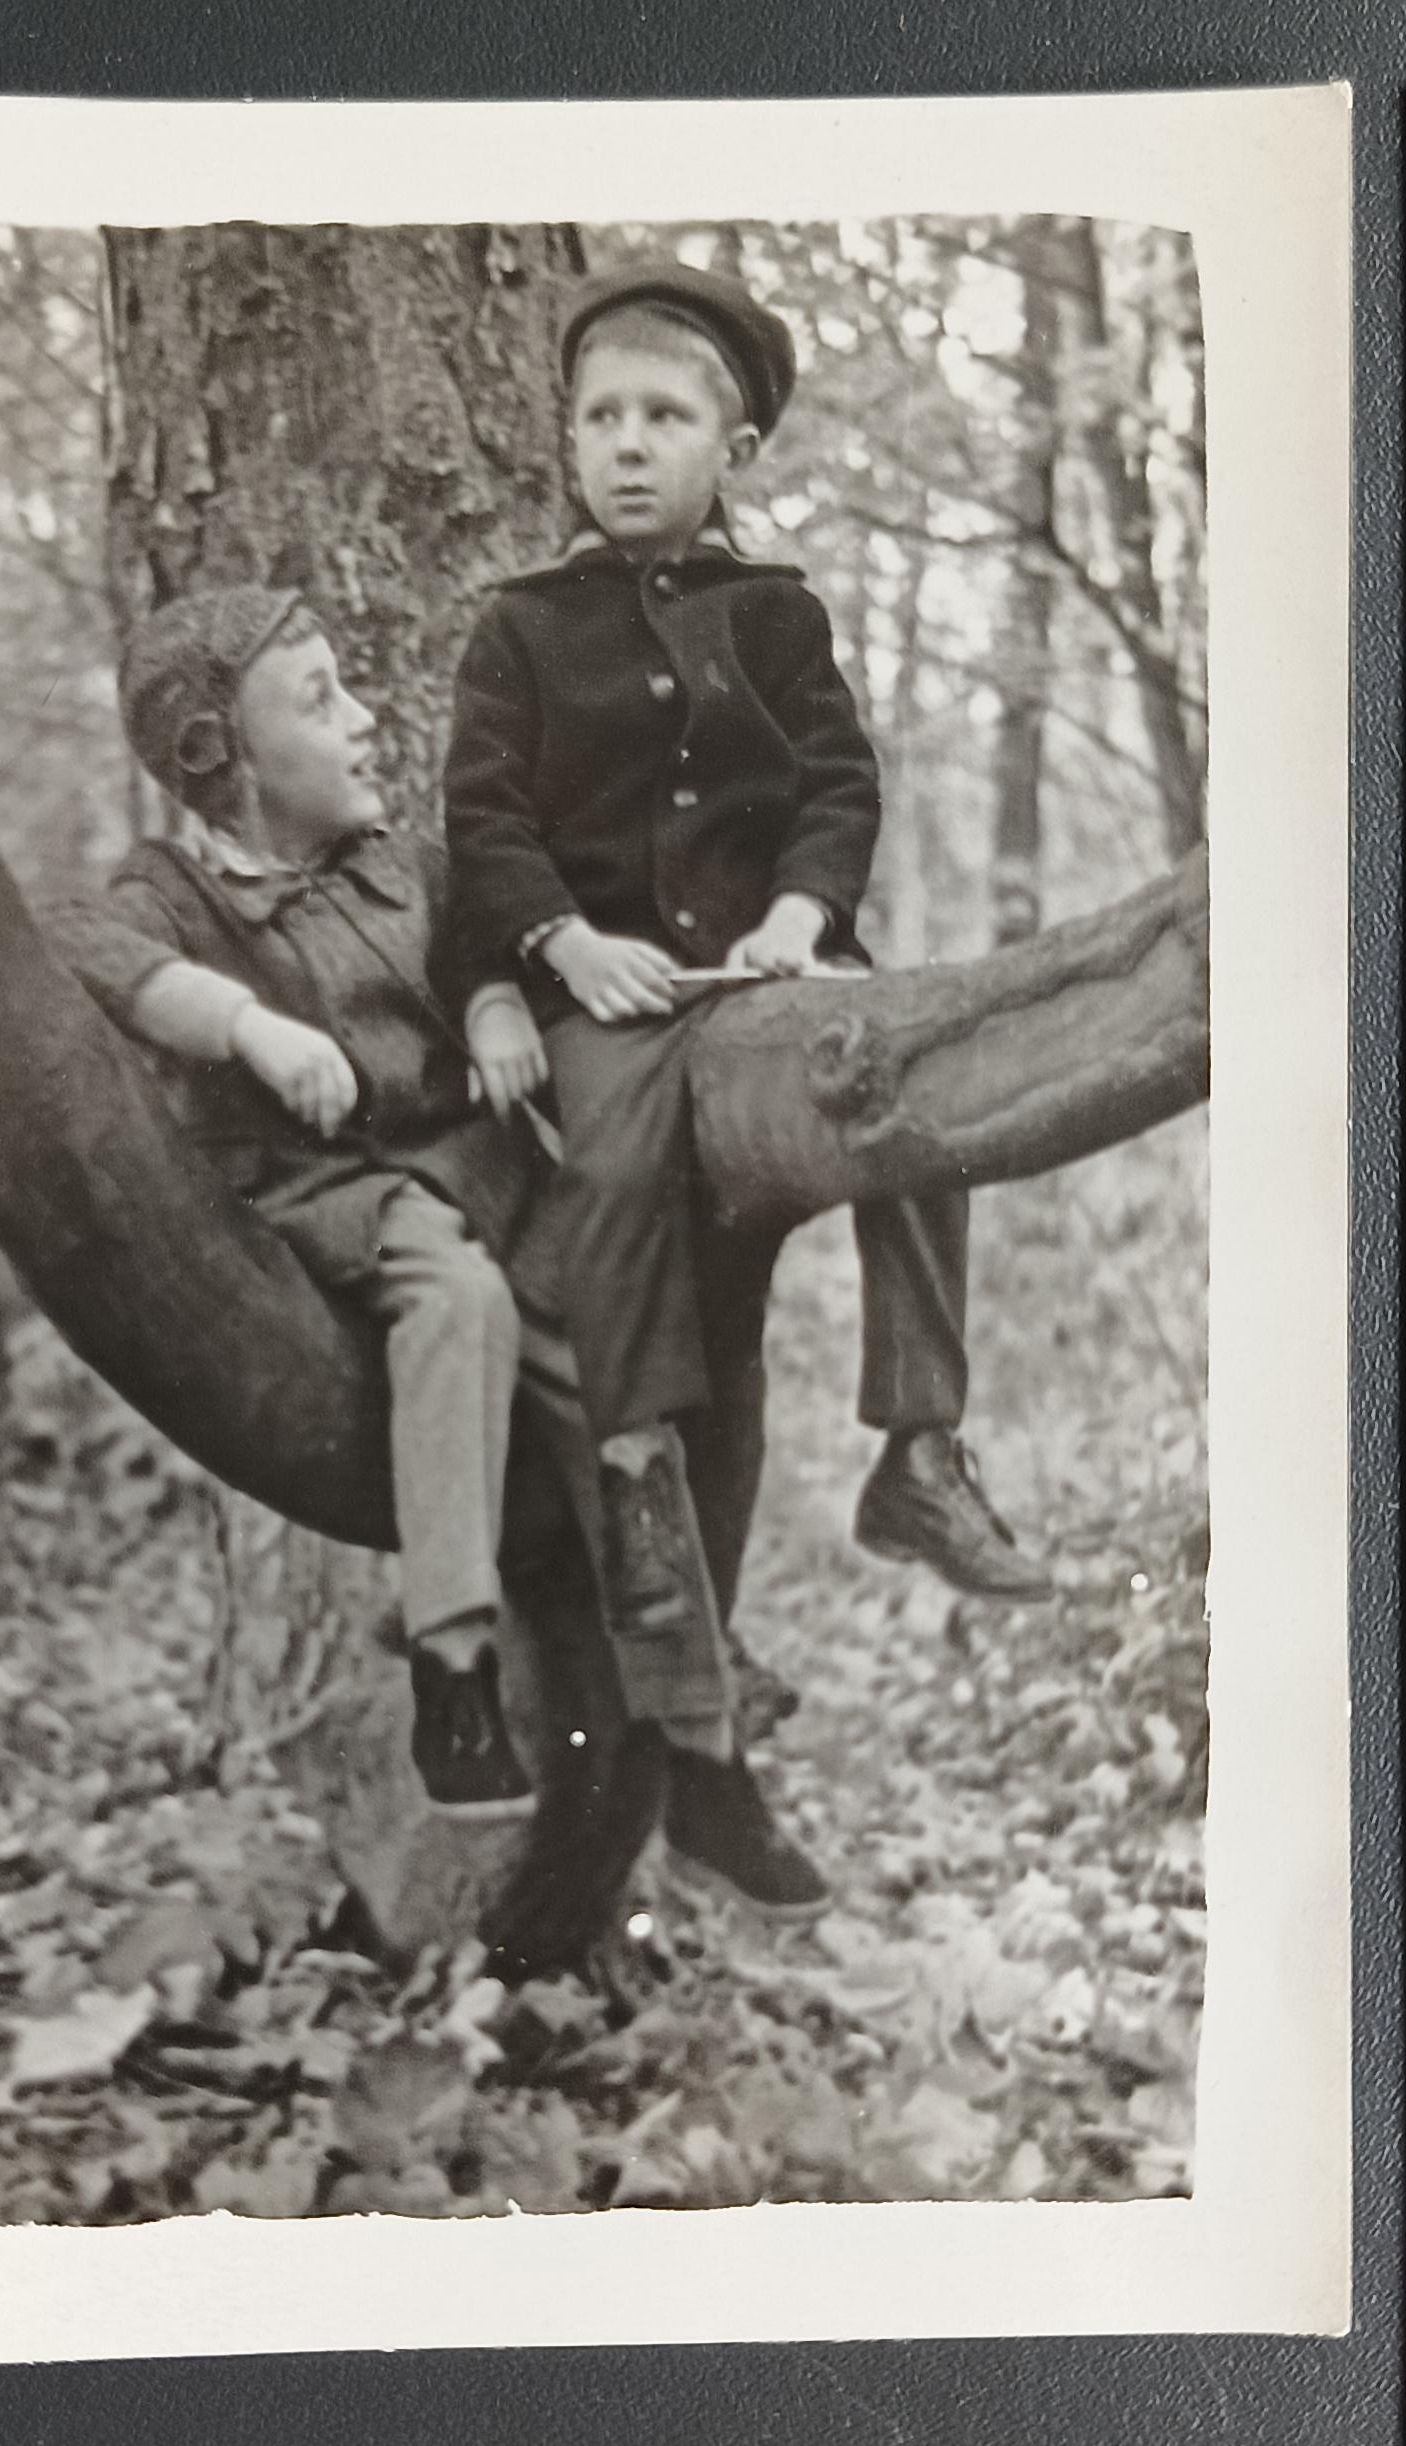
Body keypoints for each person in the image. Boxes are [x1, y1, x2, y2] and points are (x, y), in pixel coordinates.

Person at [55, 579, 827, 1911]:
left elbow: (500, 937)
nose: (363, 718)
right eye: (319, 701)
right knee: (454, 1293)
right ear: (222, 758)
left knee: (626, 1397)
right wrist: (248, 1027)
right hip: (345, 1196)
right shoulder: (176, 891)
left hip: (492, 1183)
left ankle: (703, 1753)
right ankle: (451, 1668)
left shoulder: (402, 863)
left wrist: (511, 1005)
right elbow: (76, 944)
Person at [440, 257, 1051, 1704]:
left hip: (768, 968)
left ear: (738, 449)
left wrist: (797, 915)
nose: (628, 447)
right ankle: (637, 1469)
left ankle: (920, 1447)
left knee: (915, 1089)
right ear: (570, 440)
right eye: (602, 418)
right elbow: (484, 814)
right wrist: (562, 945)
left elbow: (839, 782)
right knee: (613, 1159)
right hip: (612, 989)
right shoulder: (521, 625)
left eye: (664, 418)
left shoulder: (776, 615)